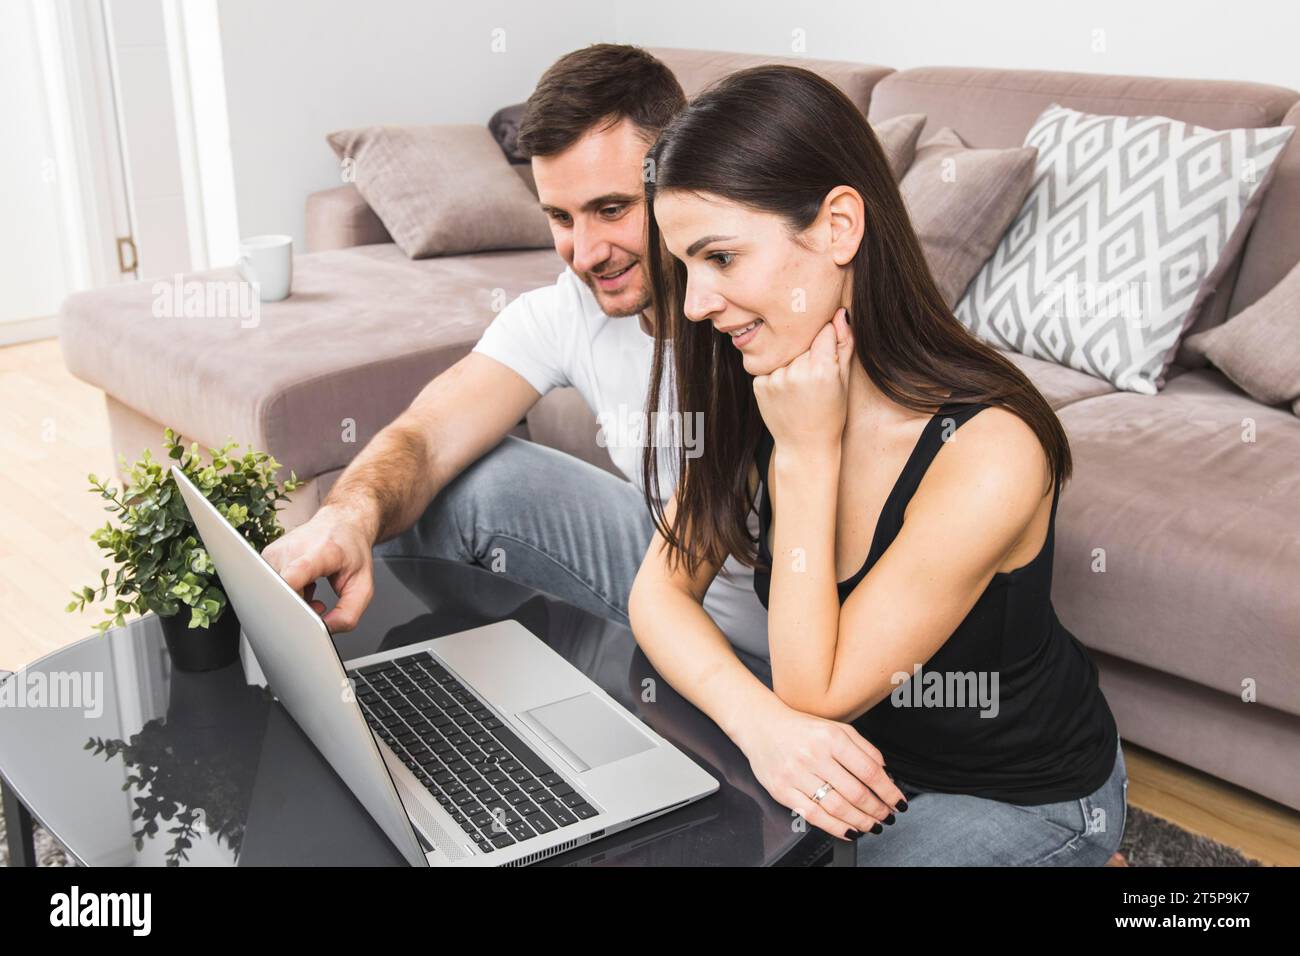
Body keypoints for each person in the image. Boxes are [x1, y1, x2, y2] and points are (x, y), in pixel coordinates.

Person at [628, 65, 1127, 865]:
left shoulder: (992, 449)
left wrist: (806, 451)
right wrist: (763, 730)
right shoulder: (766, 369)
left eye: (720, 256)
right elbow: (660, 589)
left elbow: (814, 691)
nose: (693, 305)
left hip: (1021, 793)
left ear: (838, 227)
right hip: (864, 754)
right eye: (687, 266)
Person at [262, 44, 767, 656]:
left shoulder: (754, 316)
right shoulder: (570, 309)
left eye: (612, 210)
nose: (585, 253)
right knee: (451, 483)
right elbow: (426, 435)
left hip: (772, 651)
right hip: (661, 577)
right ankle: (379, 694)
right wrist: (347, 516)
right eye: (560, 216)